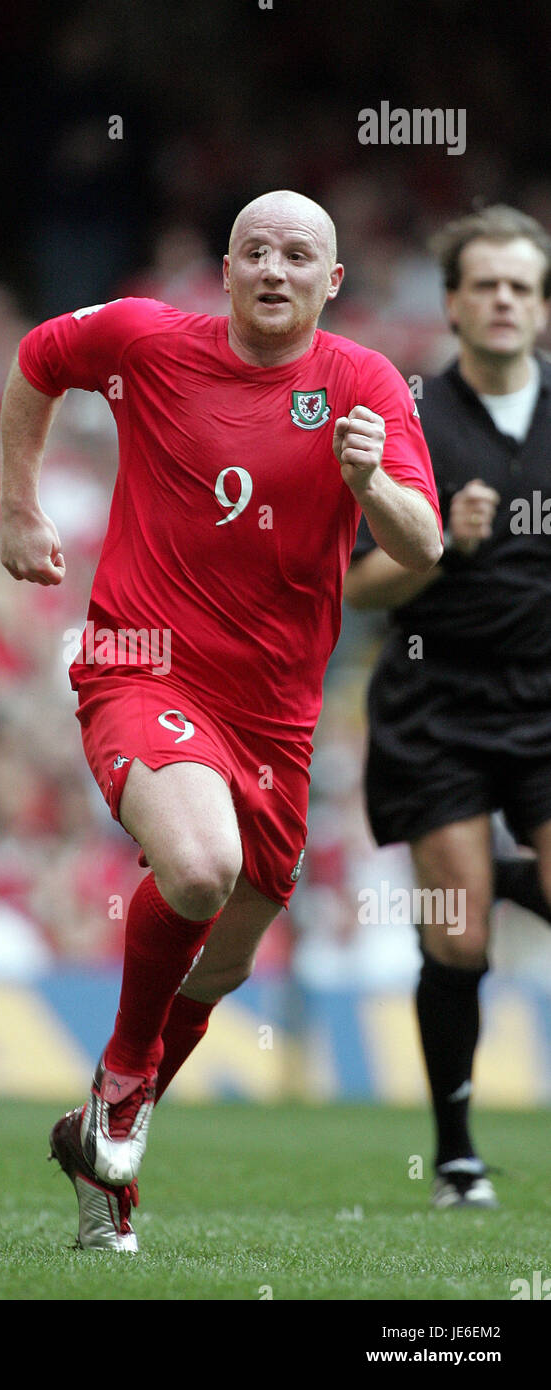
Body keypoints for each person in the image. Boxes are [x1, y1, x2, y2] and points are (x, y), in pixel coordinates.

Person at [0, 190, 443, 1251]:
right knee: (197, 868)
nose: (274, 269)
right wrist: (17, 504)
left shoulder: (362, 385)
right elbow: (36, 357)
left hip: (276, 718)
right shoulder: (148, 340)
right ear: (228, 268)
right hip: (138, 667)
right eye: (255, 251)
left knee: (225, 962)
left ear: (330, 282)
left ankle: (103, 1141)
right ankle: (118, 1089)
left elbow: (422, 546)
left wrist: (369, 480)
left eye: (298, 255)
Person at [343, 205, 551, 1210]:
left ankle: (501, 873)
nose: (504, 300)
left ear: (541, 306)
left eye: (522, 284)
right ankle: (456, 1155)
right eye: (486, 283)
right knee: (456, 940)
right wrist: (434, 548)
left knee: (484, 901)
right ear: (454, 301)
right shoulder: (408, 415)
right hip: (434, 702)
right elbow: (355, 587)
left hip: (544, 702)